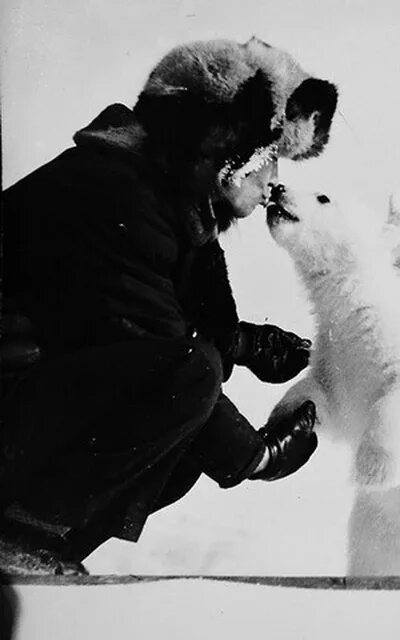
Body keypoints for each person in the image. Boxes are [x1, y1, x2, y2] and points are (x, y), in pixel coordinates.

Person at [0, 37, 339, 575]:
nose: (274, 181)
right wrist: (255, 458)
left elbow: (143, 319)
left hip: (24, 411)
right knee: (190, 381)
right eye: (269, 159)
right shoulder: (114, 194)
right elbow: (158, 346)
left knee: (185, 426)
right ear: (226, 150)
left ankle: (44, 548)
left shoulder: (152, 191)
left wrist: (247, 344)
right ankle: (21, 538)